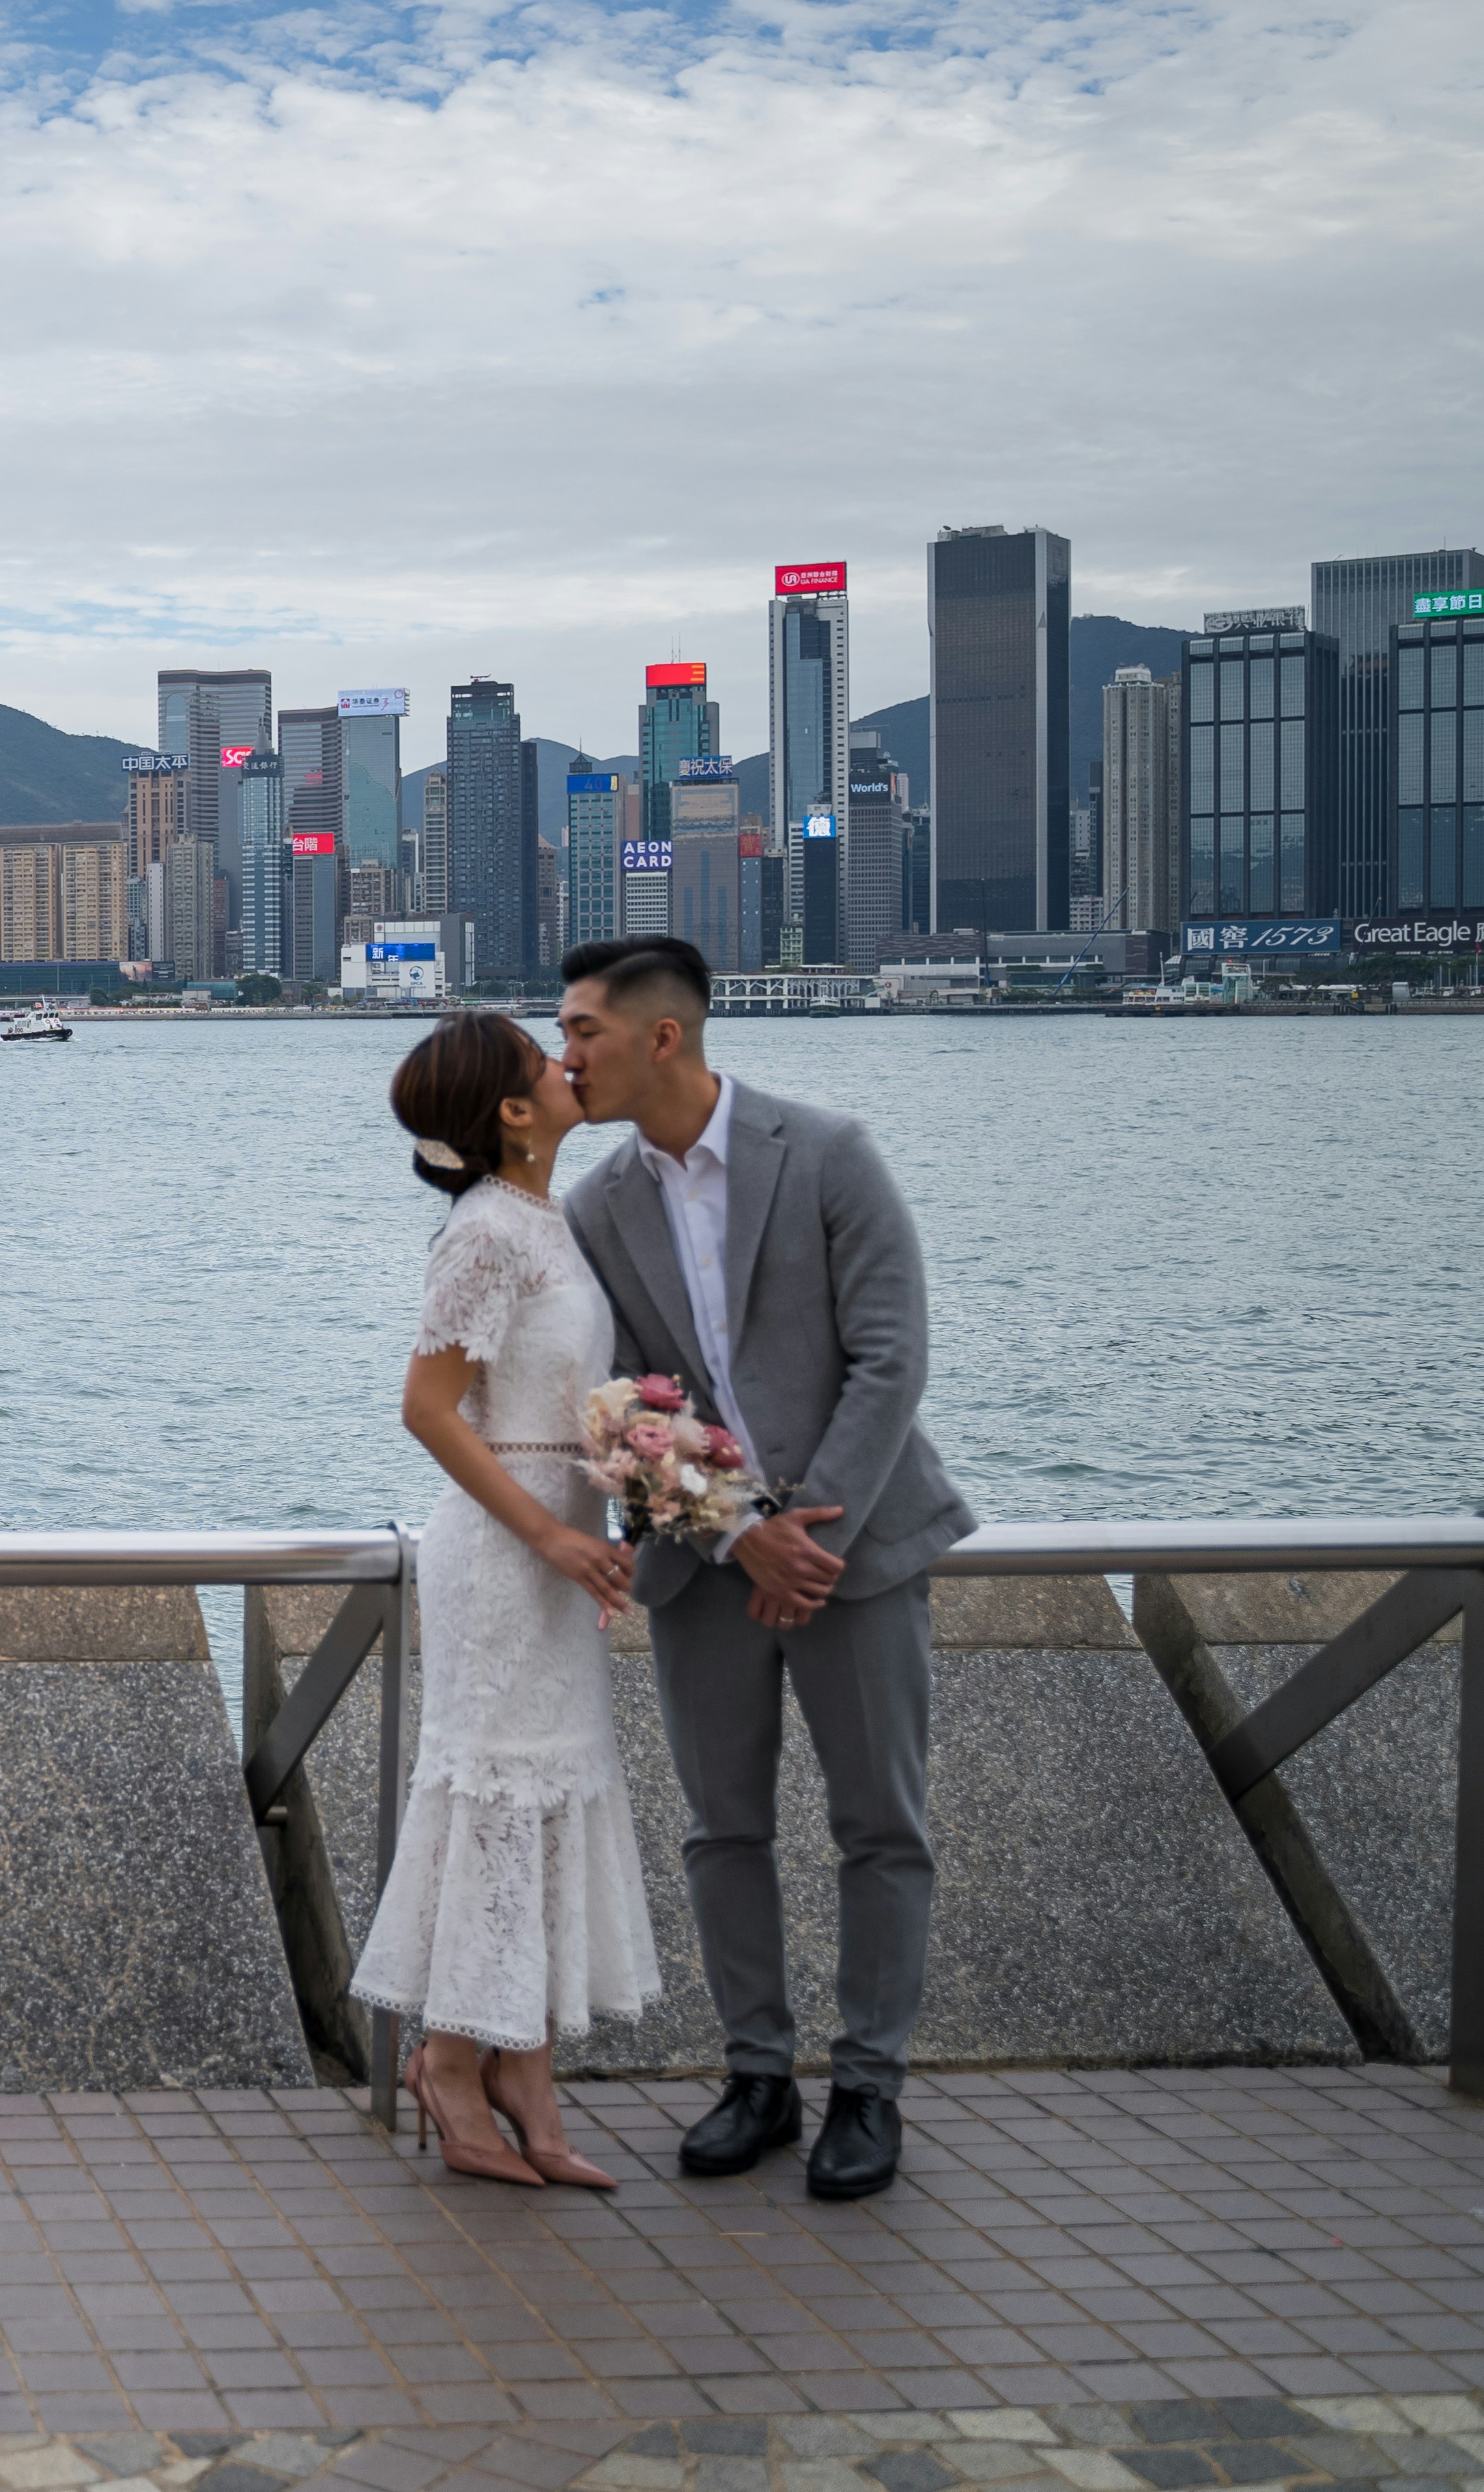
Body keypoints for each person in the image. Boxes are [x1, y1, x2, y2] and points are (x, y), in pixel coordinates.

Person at [554, 934, 972, 2202]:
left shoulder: (828, 1153)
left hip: (860, 1559)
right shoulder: (597, 1207)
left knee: (879, 1826)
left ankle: (870, 2088)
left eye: (583, 1032)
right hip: (706, 1561)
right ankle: (757, 2078)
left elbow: (891, 1358)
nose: (564, 1055)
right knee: (721, 1828)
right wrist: (742, 1532)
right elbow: (619, 1405)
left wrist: (813, 1540)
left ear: (662, 1036)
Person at [346, 1010, 661, 2190]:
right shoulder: (485, 1233)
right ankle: (452, 2065)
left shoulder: (551, 1219)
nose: (567, 1062)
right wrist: (545, 1534)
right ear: (515, 1114)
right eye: (544, 1059)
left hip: (563, 1541)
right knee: (495, 1795)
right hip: (503, 1553)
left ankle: (520, 2066)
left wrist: (637, 1476)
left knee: (542, 1796)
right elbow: (430, 1408)